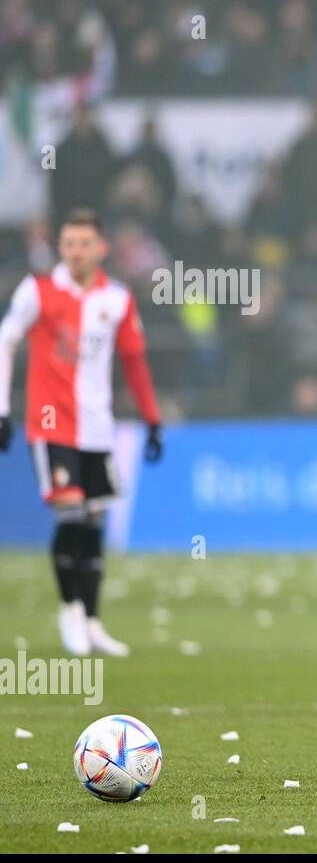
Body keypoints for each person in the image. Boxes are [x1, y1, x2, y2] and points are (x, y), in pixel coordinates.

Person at [0, 208, 163, 657]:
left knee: (93, 526)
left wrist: (153, 419)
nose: (74, 252)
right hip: (51, 424)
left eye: (83, 243)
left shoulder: (117, 299)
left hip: (98, 428)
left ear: (101, 248)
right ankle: (69, 609)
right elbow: (6, 338)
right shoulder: (38, 291)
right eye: (68, 243)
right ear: (61, 247)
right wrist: (1, 408)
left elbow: (134, 361)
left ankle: (92, 621)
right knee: (69, 515)